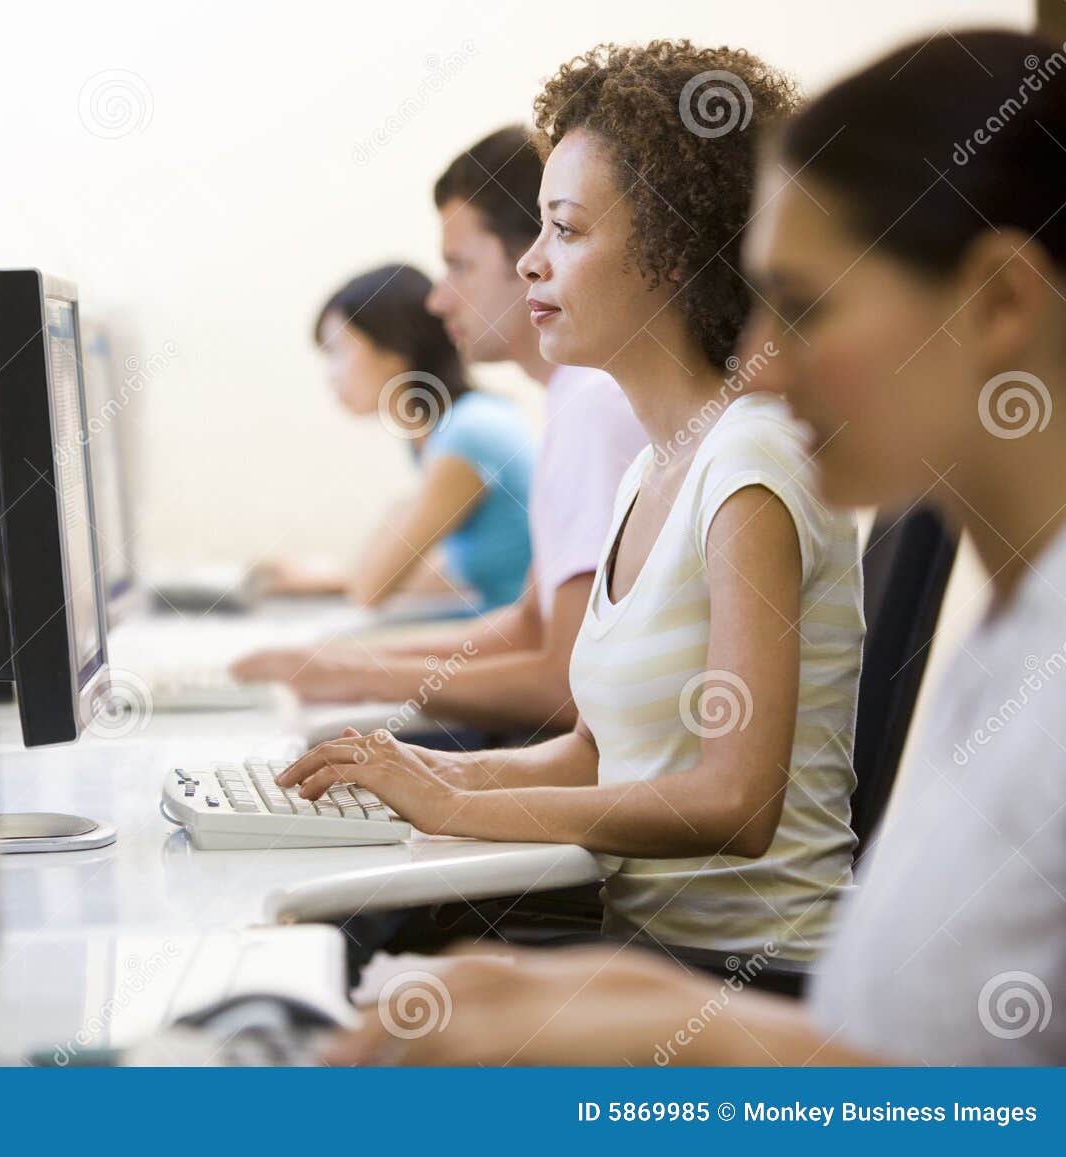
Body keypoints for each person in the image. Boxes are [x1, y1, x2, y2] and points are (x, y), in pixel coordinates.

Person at [329, 28, 1066, 1065]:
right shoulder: (1012, 641)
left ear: (998, 305)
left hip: (741, 967)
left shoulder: (757, 462)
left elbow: (955, 1100)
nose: (760, 364)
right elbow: (909, 1046)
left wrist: (692, 1026)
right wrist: (621, 985)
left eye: (803, 308)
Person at [280, 40, 865, 960]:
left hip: (747, 981)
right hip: (646, 953)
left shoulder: (752, 462)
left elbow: (736, 804)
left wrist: (455, 804)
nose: (530, 264)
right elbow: (595, 752)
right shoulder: (652, 467)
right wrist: (432, 771)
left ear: (673, 250)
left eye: (567, 229)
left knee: (373, 988)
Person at [234, 129, 647, 735]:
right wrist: (345, 663)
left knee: (307, 754)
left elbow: (563, 684)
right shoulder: (566, 404)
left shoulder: (576, 409)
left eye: (459, 266)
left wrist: (359, 673)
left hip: (549, 738)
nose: (438, 299)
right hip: (547, 723)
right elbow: (530, 623)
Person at [258, 263, 534, 611]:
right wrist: (330, 579)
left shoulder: (468, 433)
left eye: (338, 351)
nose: (331, 376)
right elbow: (441, 572)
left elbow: (371, 591)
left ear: (392, 351)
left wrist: (399, 509)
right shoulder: (451, 428)